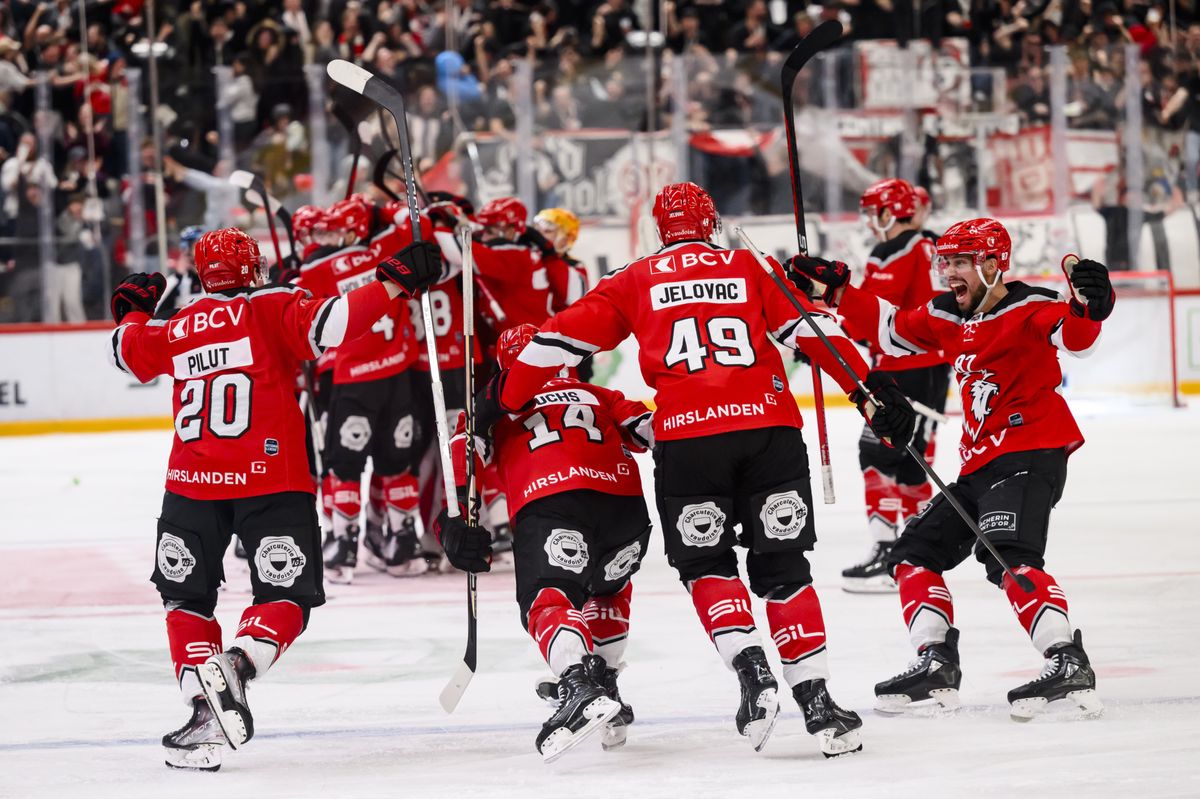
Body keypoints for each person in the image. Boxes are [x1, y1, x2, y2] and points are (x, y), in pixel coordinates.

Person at [477, 182, 917, 758]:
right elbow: (818, 332)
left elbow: (551, 343)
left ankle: (752, 668)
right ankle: (819, 704)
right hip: (769, 432)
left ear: (660, 229)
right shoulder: (746, 265)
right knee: (785, 568)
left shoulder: (633, 278)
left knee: (708, 562)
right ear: (711, 222)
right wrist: (869, 391)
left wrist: (500, 400)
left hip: (689, 442)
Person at [105, 227, 441, 771]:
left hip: (190, 485)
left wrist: (131, 312)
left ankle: (203, 712)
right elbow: (337, 324)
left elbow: (124, 354)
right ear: (252, 269)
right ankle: (238, 665)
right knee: (288, 595)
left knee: (185, 600)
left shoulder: (181, 323)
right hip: (271, 478)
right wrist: (392, 282)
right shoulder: (271, 305)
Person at [787, 218, 1110, 720]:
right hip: (980, 464)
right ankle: (936, 663)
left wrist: (1092, 305)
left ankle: (1067, 663)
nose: (948, 272)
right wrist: (838, 292)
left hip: (1030, 451)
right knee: (913, 554)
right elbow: (890, 331)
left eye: (960, 262)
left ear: (991, 263)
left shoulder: (1032, 306)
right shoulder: (946, 314)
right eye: (946, 262)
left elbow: (1076, 336)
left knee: (1009, 554)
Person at [438, 324, 654, 761]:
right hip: (627, 514)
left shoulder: (492, 408)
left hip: (553, 502)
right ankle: (605, 682)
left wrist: (456, 516)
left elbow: (465, 459)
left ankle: (577, 685)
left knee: (548, 598)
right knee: (608, 588)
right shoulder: (599, 394)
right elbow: (651, 432)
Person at [296, 195, 433, 582]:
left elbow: (296, 300)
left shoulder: (321, 264)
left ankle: (343, 547)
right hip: (399, 377)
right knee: (397, 465)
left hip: (354, 383)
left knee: (345, 466)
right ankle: (402, 546)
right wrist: (378, 206)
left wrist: (293, 268)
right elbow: (412, 221)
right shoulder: (387, 244)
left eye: (340, 230)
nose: (332, 237)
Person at [836, 179, 950, 593]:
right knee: (911, 461)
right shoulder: (933, 245)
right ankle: (917, 552)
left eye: (873, 212)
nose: (870, 222)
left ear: (889, 212)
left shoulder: (892, 250)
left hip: (903, 369)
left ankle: (888, 553)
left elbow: (872, 317)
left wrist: (828, 328)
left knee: (876, 452)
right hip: (937, 369)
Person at [155, 225, 204, 319]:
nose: (204, 249)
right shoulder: (174, 281)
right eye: (197, 245)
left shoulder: (217, 278)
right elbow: (157, 317)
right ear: (186, 249)